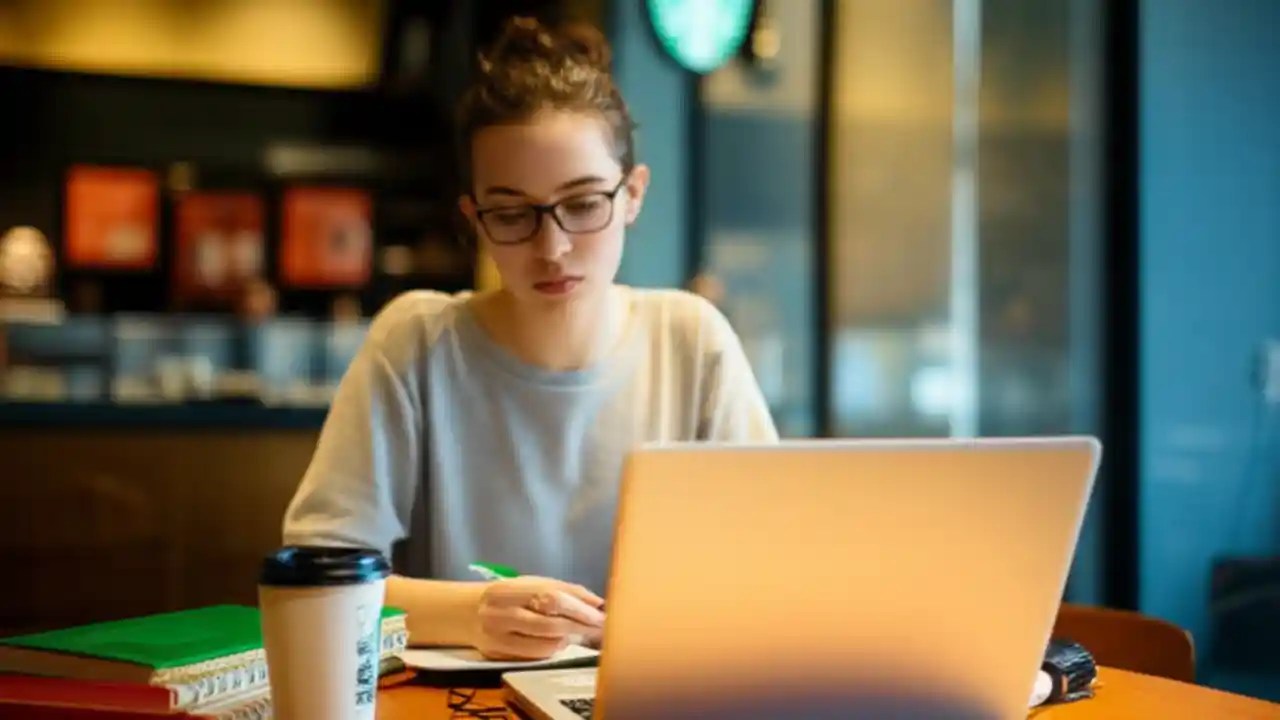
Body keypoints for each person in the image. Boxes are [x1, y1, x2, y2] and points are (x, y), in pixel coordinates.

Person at [281, 16, 777, 661]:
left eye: (582, 204)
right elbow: (316, 584)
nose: (553, 248)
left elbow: (770, 569)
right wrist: (472, 614)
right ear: (474, 219)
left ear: (633, 194)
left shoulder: (690, 339)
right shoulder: (419, 343)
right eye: (513, 214)